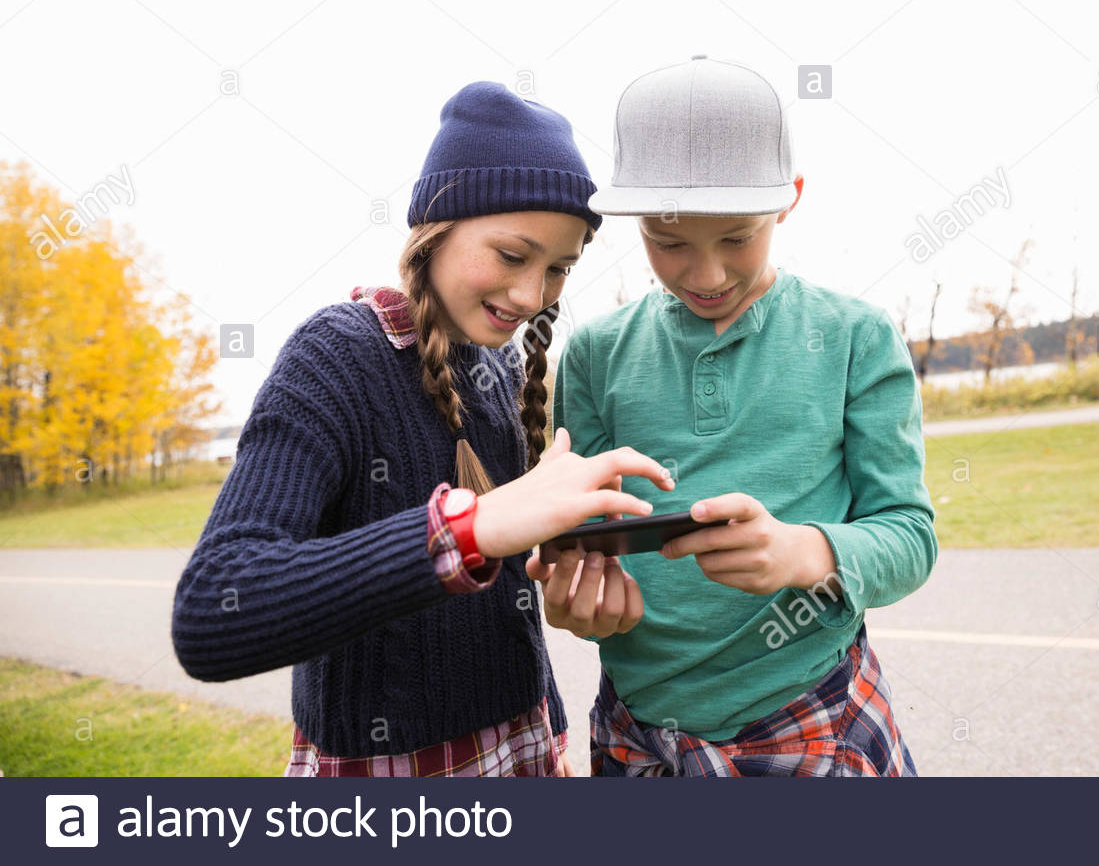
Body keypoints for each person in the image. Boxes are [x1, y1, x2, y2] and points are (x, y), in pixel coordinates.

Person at [171, 81, 674, 777]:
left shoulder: (498, 372)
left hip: (526, 752)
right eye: (510, 254)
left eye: (560, 267)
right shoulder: (335, 358)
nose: (532, 295)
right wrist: (468, 531)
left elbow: (504, 614)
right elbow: (212, 613)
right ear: (435, 230)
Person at [532, 56, 937, 776]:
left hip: (809, 715)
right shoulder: (594, 354)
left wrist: (803, 553)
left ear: (790, 200)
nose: (707, 274)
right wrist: (578, 600)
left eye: (736, 238)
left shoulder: (855, 337)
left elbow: (908, 536)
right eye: (670, 242)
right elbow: (591, 540)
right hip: (638, 728)